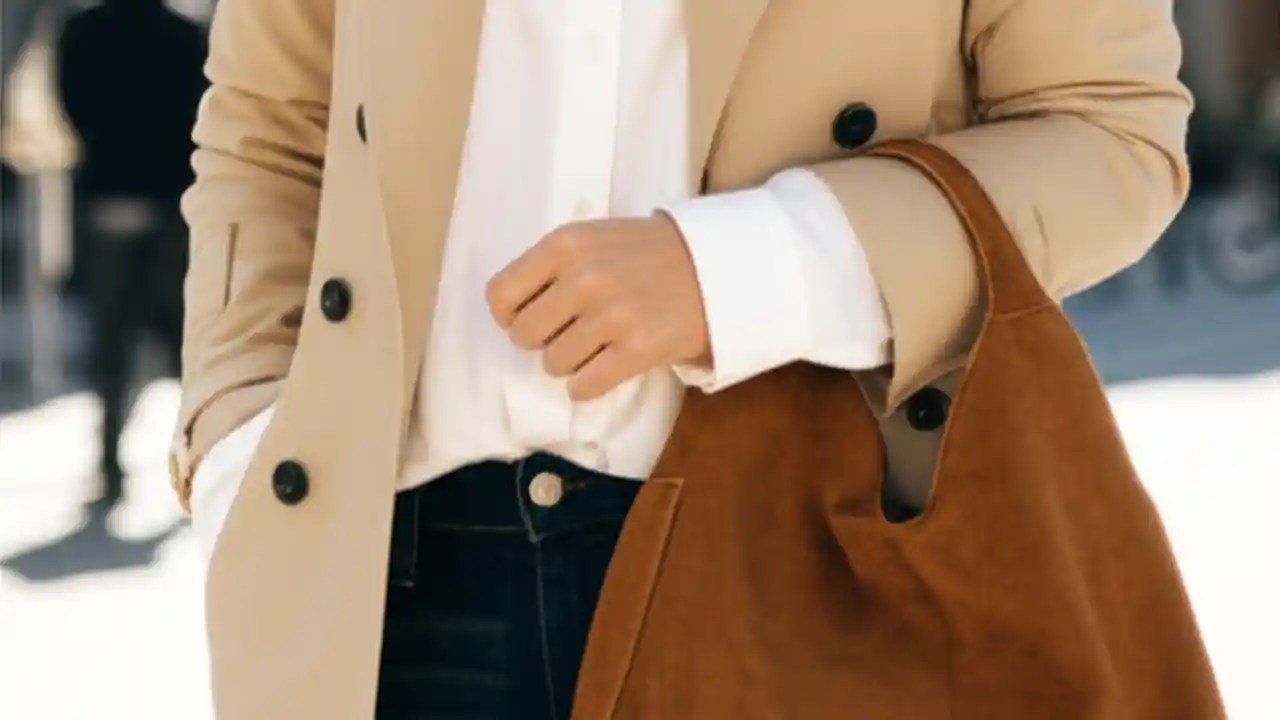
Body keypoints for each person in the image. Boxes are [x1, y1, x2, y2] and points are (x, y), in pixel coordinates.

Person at [173, 1, 1194, 718]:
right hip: (401, 591)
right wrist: (240, 434)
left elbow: (1107, 131)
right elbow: (270, 129)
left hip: (801, 559)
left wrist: (743, 268)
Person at [57, 0, 207, 503]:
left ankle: (109, 465)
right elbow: (201, 111)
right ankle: (199, 459)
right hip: (170, 197)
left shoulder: (82, 31)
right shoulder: (184, 35)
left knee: (110, 337)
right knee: (185, 339)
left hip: (109, 193)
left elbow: (70, 103)